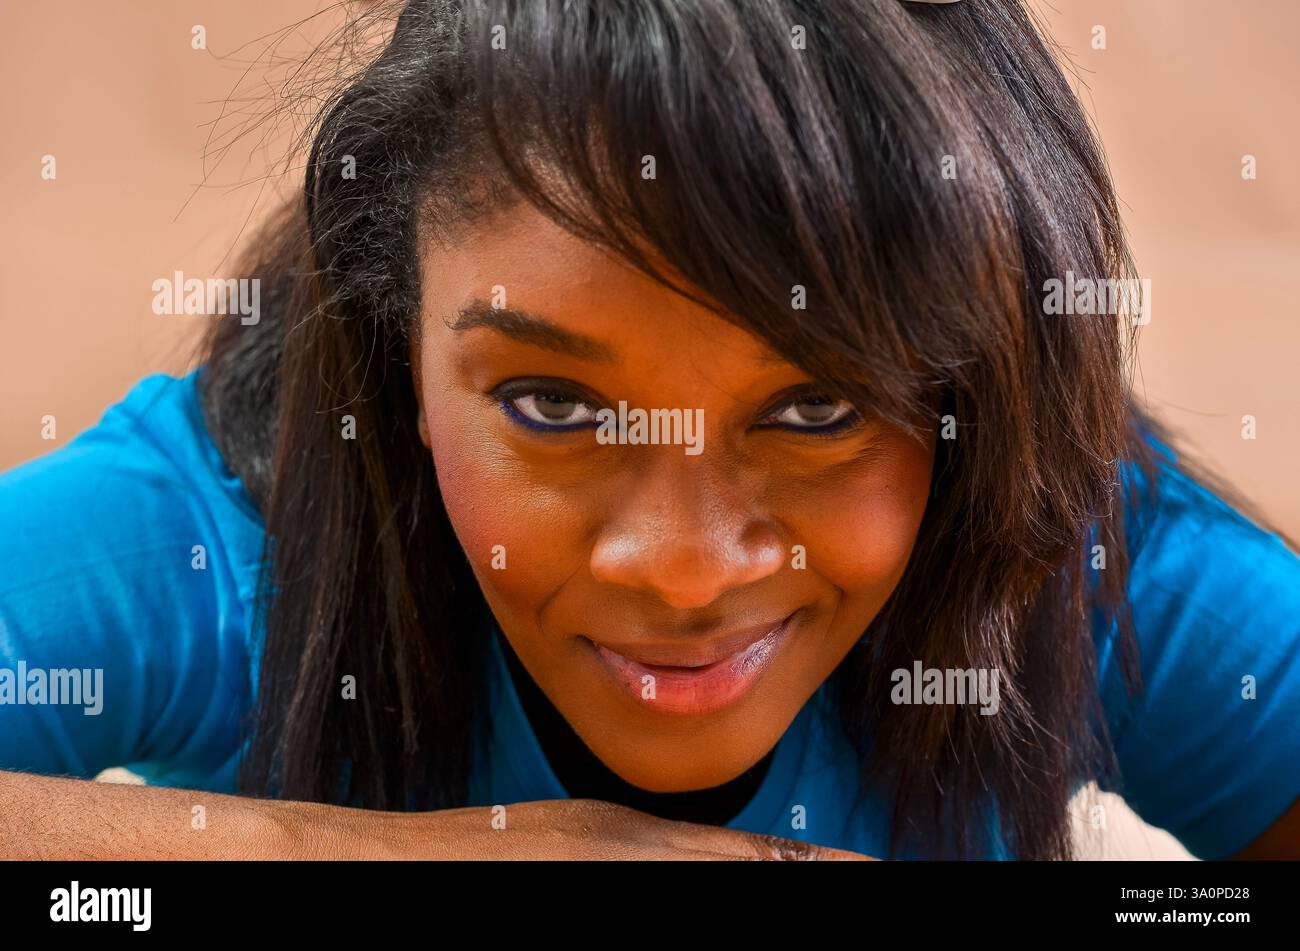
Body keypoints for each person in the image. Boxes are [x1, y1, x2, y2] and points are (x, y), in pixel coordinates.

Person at [2, 0, 1298, 860]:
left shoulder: (1070, 558)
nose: (682, 567)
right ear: (396, 345)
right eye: (552, 406)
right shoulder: (219, 535)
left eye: (818, 409)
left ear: (971, 403)